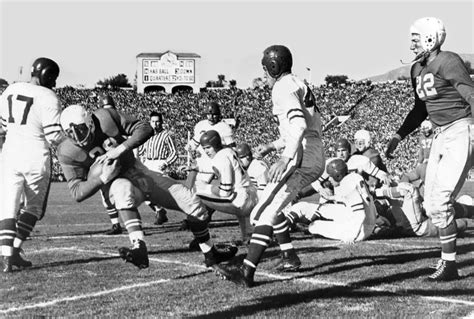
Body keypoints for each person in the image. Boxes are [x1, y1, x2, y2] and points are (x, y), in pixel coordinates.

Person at [57, 104, 237, 270]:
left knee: (193, 204)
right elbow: (76, 192)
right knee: (122, 190)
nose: (77, 137)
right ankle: (139, 249)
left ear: (89, 122)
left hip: (138, 171)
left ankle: (210, 253)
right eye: (70, 133)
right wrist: (103, 177)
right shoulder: (66, 151)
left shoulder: (105, 118)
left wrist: (120, 149)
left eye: (80, 130)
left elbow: (145, 127)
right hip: (115, 182)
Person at [215, 45, 325, 287]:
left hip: (302, 155)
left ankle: (246, 271)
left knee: (262, 211)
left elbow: (297, 127)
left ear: (274, 67)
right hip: (311, 151)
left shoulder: (282, 87)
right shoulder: (296, 83)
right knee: (270, 208)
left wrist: (286, 157)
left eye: (265, 69)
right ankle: (284, 257)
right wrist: (273, 146)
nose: (264, 74)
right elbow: (302, 127)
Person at [385, 17, 474, 281]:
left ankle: (449, 265)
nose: (411, 44)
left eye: (415, 38)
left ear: (430, 37)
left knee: (441, 201)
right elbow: (419, 109)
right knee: (432, 205)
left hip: (460, 129)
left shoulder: (448, 61)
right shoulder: (416, 69)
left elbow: (470, 94)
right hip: (440, 134)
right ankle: (451, 259)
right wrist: (398, 136)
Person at [0, 57, 63, 273]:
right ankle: (15, 249)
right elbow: (54, 135)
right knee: (34, 208)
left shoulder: (10, 89)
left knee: (8, 207)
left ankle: (7, 257)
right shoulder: (48, 96)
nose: (54, 82)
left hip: (10, 153)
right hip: (35, 155)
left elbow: (2, 125)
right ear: (48, 75)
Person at [194, 130, 258, 243]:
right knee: (238, 201)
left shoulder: (222, 157)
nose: (206, 151)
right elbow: (215, 168)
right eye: (204, 148)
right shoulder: (228, 151)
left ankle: (201, 238)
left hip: (243, 200)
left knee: (195, 193)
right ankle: (248, 236)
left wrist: (207, 188)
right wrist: (197, 168)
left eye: (208, 147)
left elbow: (225, 191)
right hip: (250, 195)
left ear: (215, 145)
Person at [303, 159, 378, 242]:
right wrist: (331, 198)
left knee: (314, 226)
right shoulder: (355, 177)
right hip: (368, 220)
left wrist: (351, 235)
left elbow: (360, 213)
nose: (329, 179)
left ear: (338, 175)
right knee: (324, 208)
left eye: (331, 176)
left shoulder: (348, 184)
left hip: (361, 228)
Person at [137, 111, 178, 225]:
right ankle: (160, 211)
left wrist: (165, 163)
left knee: (153, 190)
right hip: (147, 163)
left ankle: (162, 212)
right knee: (142, 190)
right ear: (150, 122)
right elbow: (140, 151)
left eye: (158, 121)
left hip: (159, 163)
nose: (155, 124)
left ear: (162, 122)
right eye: (153, 121)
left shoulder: (166, 135)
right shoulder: (147, 135)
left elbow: (174, 153)